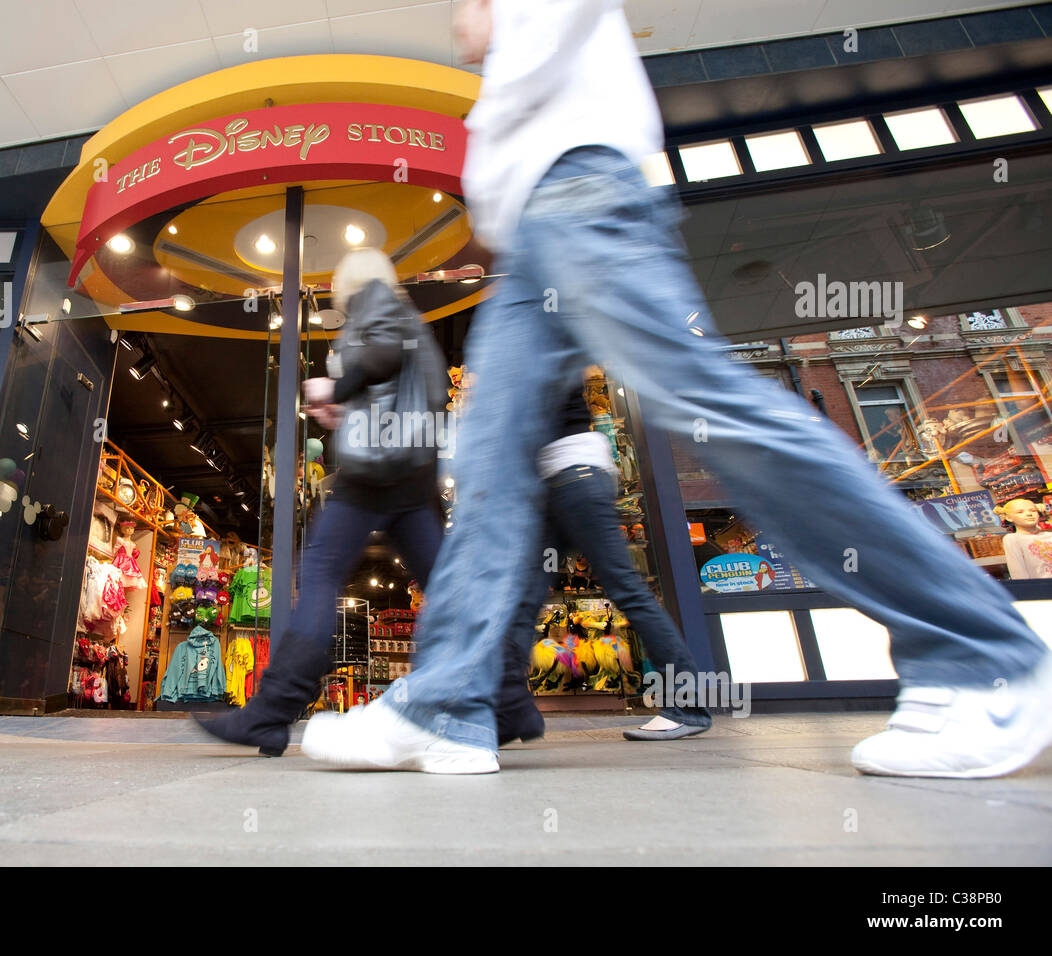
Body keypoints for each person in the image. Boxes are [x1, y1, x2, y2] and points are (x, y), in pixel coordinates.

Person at [299, 0, 1052, 777]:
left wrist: (509, 24)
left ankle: (982, 653)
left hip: (584, 190)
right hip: (530, 239)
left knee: (710, 403)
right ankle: (446, 705)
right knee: (488, 464)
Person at [196, 248, 450, 755]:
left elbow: (380, 353)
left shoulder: (376, 302)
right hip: (413, 478)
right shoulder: (410, 315)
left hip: (371, 477)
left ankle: (270, 714)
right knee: (447, 590)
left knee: (319, 578)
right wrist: (347, 406)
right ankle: (506, 703)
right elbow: (423, 386)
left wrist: (337, 383)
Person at [498, 385, 712, 744]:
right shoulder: (540, 343)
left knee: (624, 588)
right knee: (527, 598)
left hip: (574, 478)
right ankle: (511, 712)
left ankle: (687, 705)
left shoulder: (535, 341)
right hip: (565, 479)